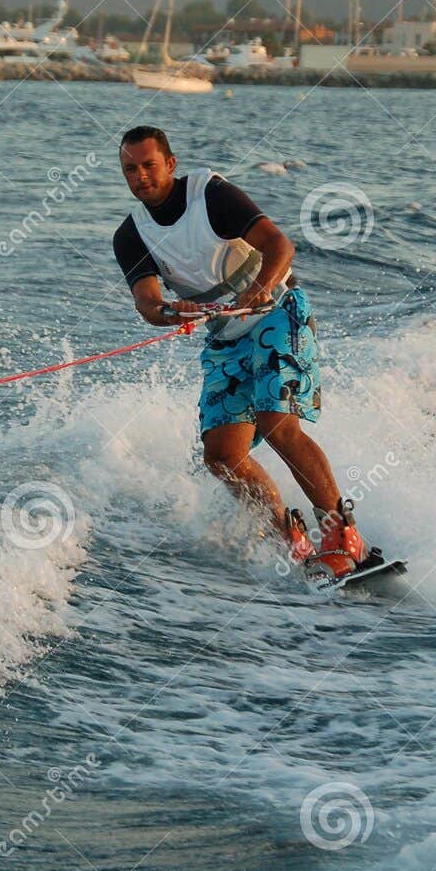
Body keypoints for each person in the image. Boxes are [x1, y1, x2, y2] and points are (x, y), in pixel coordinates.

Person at [111, 124, 369, 581]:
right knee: (222, 455)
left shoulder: (210, 195)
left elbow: (279, 244)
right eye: (130, 169)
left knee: (276, 424)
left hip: (276, 314)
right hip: (226, 338)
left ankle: (342, 533)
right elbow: (148, 304)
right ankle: (291, 541)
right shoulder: (131, 236)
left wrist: (260, 288)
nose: (141, 176)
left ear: (170, 163)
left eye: (149, 165)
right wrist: (173, 310)